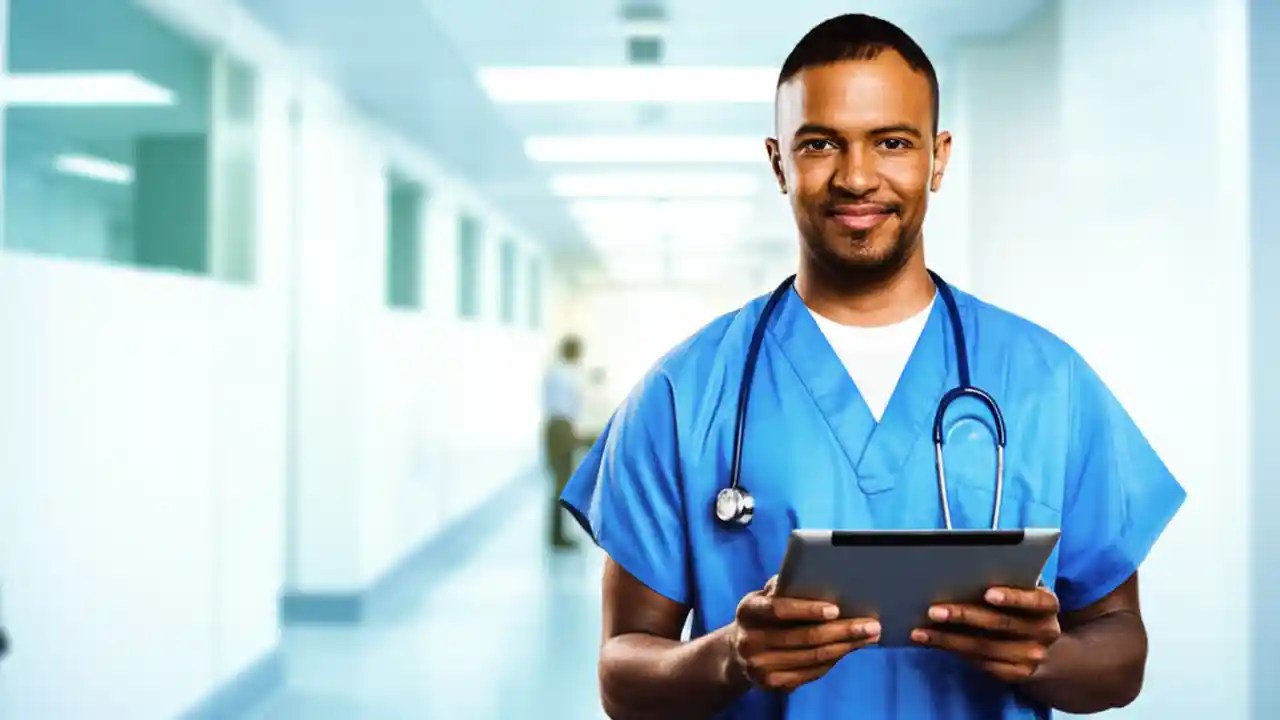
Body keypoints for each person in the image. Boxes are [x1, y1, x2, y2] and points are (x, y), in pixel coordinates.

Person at [559, 12, 1186, 720]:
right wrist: (729, 656)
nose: (857, 178)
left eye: (892, 142)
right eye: (822, 143)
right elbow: (622, 677)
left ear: (938, 158)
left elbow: (1120, 651)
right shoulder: (683, 392)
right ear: (778, 163)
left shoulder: (1049, 381)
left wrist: (1049, 657)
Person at [543, 335, 587, 550]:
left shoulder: (554, 372)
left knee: (559, 483)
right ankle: (558, 537)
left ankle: (558, 535)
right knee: (562, 484)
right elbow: (572, 405)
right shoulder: (567, 375)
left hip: (554, 426)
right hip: (562, 427)